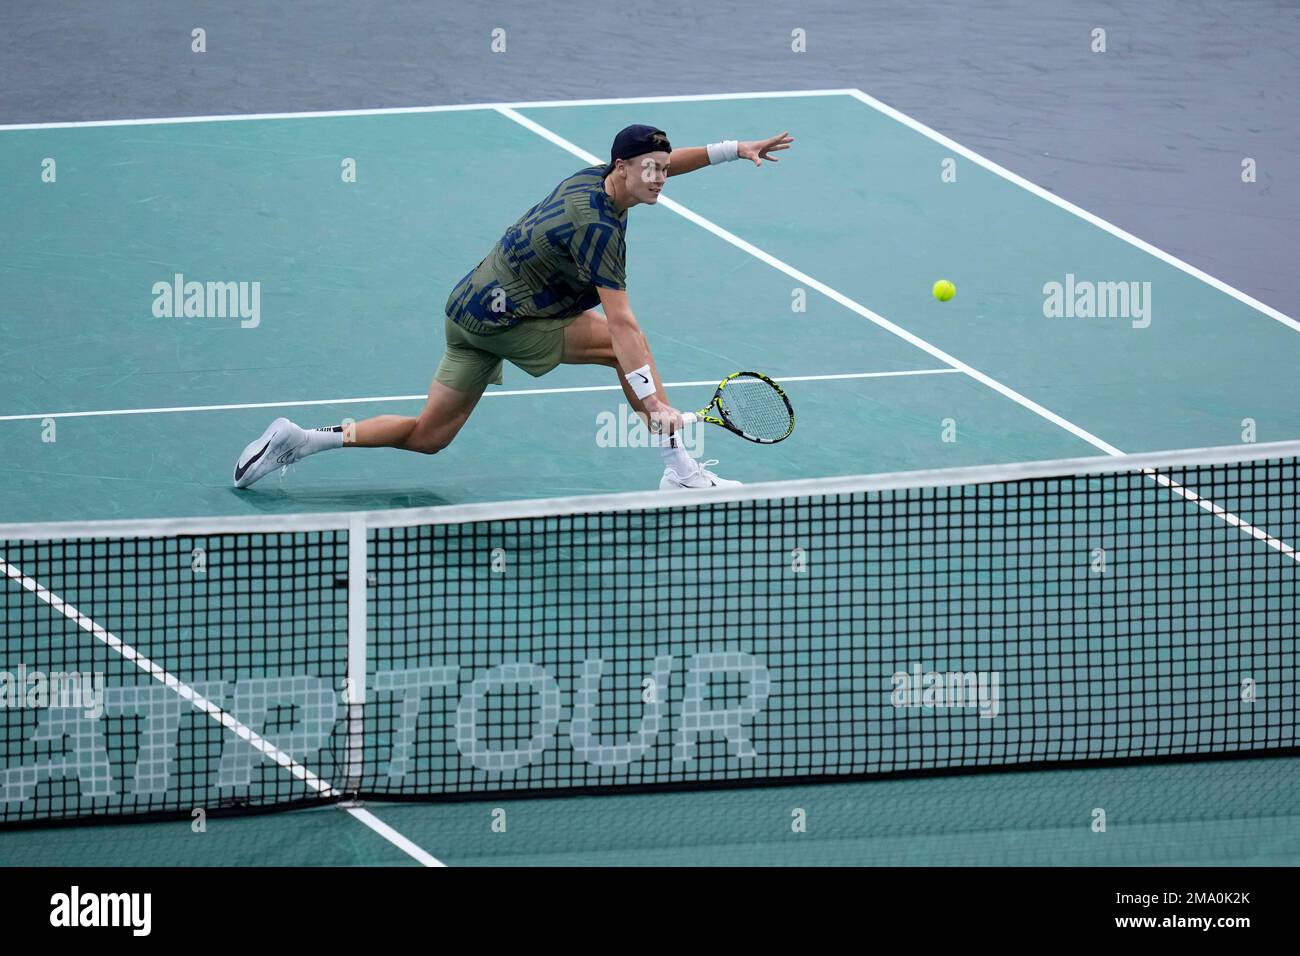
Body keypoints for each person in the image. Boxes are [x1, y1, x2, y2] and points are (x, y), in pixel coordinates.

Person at [233, 124, 794, 490]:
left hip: (466, 312)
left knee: (428, 436)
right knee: (625, 347)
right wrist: (656, 406)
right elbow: (622, 325)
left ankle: (301, 439)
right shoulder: (600, 230)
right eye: (649, 168)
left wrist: (731, 151)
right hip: (512, 324)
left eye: (662, 168)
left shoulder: (591, 178)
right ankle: (679, 468)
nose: (659, 177)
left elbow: (675, 160)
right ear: (621, 167)